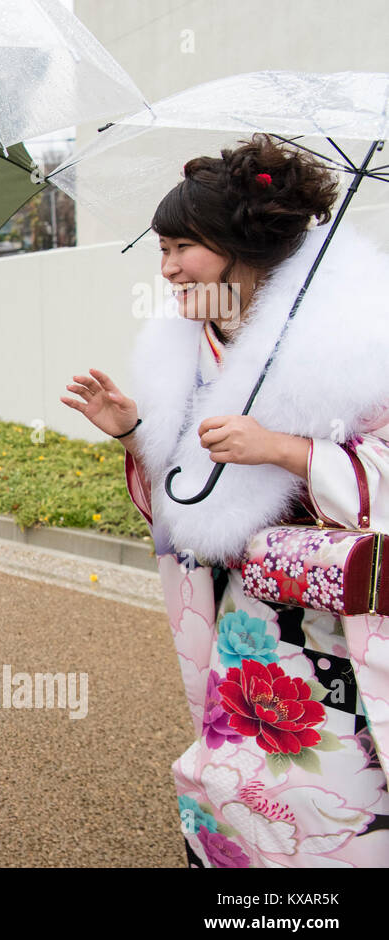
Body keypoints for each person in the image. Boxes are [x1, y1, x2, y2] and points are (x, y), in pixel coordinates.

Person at [64, 133, 389, 867]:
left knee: (332, 797)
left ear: (240, 245)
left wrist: (287, 449)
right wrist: (136, 432)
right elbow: (189, 500)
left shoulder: (353, 340)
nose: (169, 268)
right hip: (244, 622)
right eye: (163, 249)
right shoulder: (184, 347)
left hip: (335, 621)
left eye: (183, 247)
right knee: (230, 785)